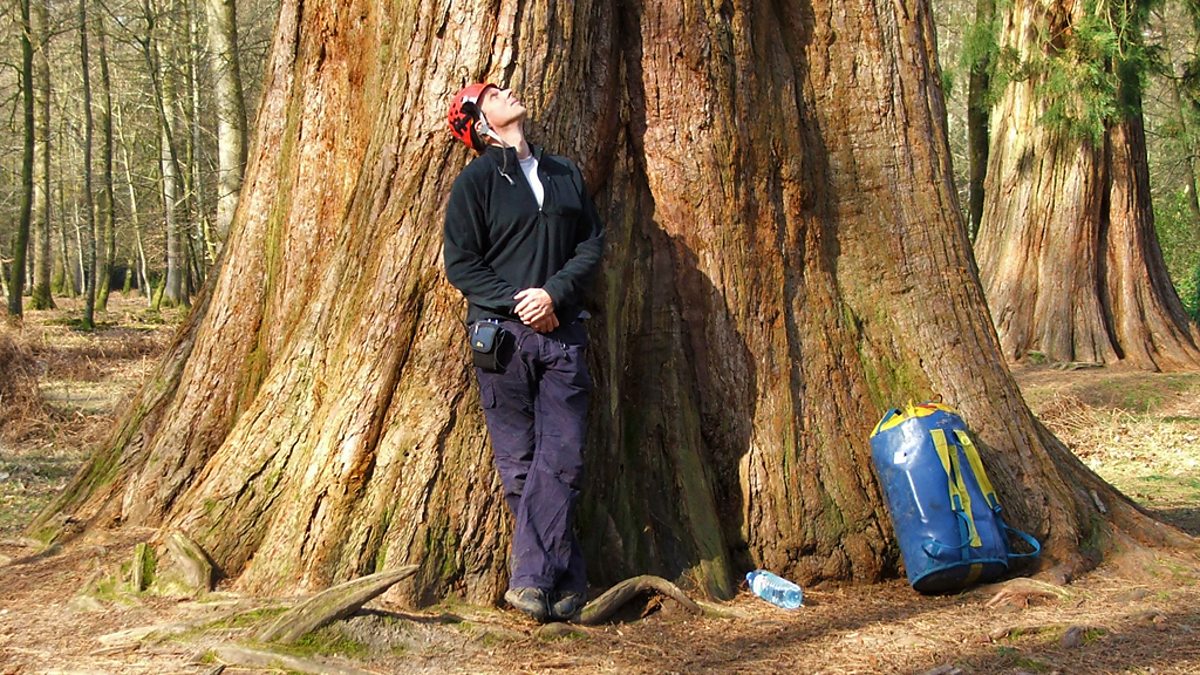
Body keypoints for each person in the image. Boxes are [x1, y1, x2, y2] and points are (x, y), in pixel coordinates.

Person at [443, 82, 605, 622]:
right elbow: (462, 265)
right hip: (503, 340)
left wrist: (552, 295)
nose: (506, 91)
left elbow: (590, 244)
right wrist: (521, 304)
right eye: (490, 92)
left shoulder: (563, 173)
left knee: (564, 456)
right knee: (518, 467)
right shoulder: (475, 183)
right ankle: (567, 582)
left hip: (562, 333)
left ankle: (532, 580)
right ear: (479, 122)